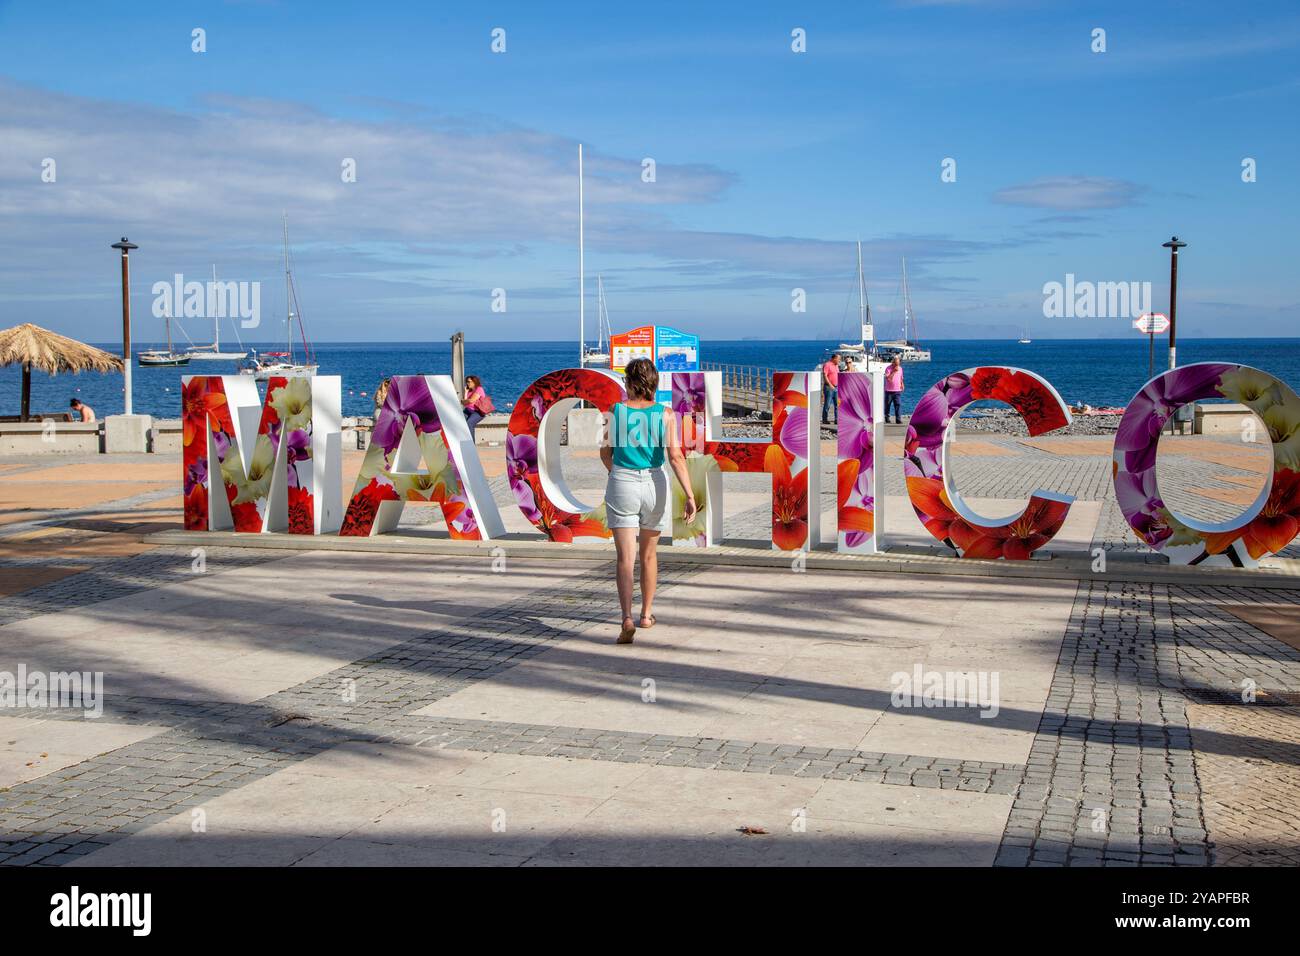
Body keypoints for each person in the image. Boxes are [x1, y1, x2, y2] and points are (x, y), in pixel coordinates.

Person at [601, 358, 696, 644]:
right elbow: (676, 457)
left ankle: (626, 617)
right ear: (653, 383)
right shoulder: (666, 415)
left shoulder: (615, 412)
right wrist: (690, 495)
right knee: (649, 555)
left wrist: (619, 474)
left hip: (622, 482)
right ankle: (646, 614)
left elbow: (606, 453)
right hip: (655, 482)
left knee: (625, 558)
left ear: (629, 383)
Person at [461, 375, 494, 440]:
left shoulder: (479, 389)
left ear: (474, 382)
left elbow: (471, 400)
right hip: (468, 410)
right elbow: (464, 404)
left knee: (469, 423)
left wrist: (465, 401)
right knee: (460, 422)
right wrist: (466, 392)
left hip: (478, 412)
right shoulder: (469, 391)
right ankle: (462, 441)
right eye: (467, 382)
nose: (467, 383)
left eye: (469, 382)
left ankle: (471, 444)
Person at [884, 355, 904, 424]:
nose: (897, 365)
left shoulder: (900, 368)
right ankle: (887, 417)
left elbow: (901, 378)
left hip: (897, 390)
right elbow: (888, 379)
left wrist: (902, 384)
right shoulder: (888, 368)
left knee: (898, 404)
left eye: (898, 363)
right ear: (893, 362)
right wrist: (894, 372)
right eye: (896, 363)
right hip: (889, 391)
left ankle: (898, 419)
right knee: (887, 405)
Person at [821, 353, 840, 424]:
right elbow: (825, 375)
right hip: (829, 387)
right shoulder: (827, 365)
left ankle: (837, 420)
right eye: (838, 359)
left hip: (836, 387)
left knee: (837, 404)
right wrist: (830, 385)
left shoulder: (836, 366)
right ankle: (825, 419)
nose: (839, 360)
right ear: (834, 358)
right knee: (827, 404)